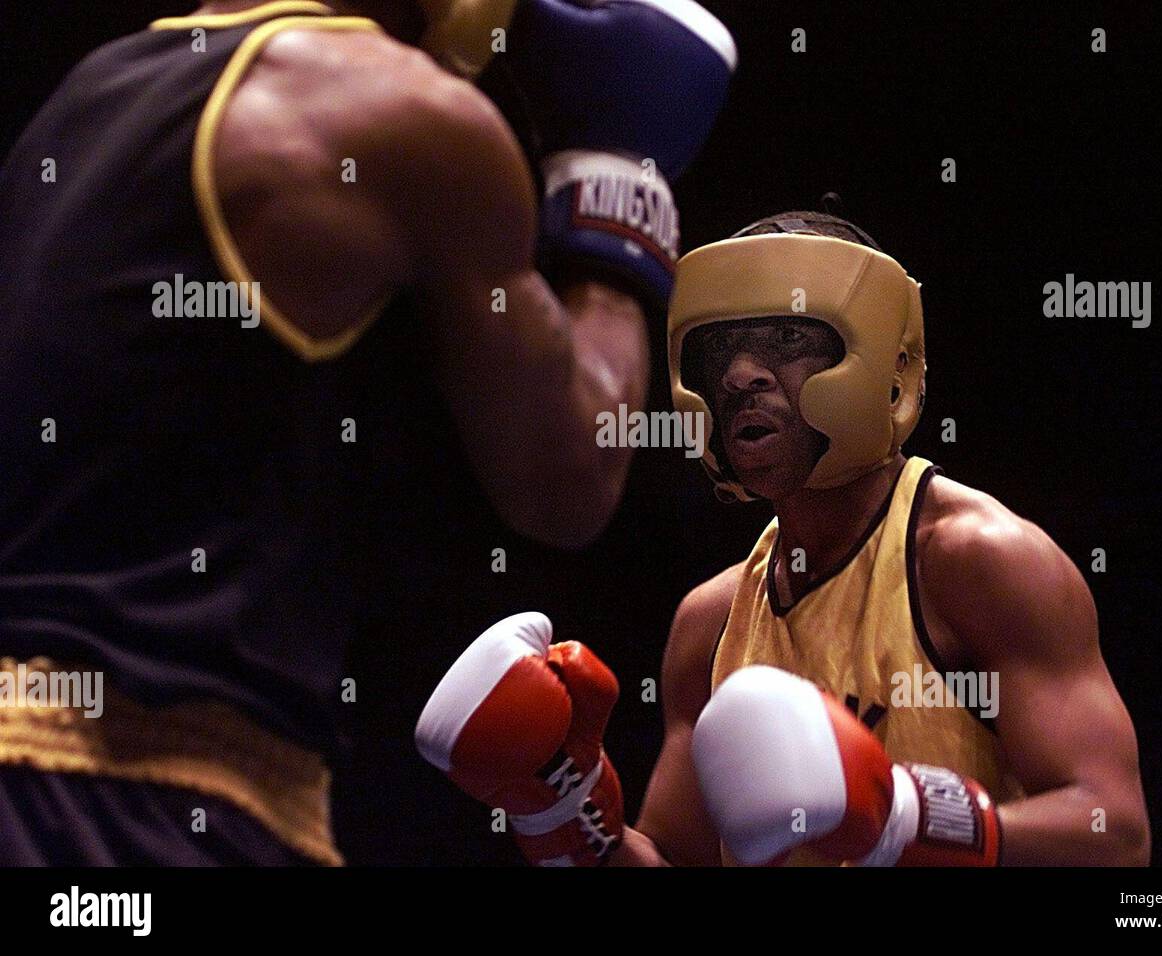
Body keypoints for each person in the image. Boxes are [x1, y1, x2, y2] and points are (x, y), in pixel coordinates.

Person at [0, 0, 735, 864]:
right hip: (140, 795)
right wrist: (619, 174)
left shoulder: (84, 96)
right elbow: (570, 475)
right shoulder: (400, 114)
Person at [418, 211, 1151, 866]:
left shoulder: (977, 561)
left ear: (889, 370)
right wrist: (561, 808)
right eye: (721, 350)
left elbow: (1115, 834)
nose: (740, 375)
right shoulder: (708, 624)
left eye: (789, 338)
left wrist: (900, 815)